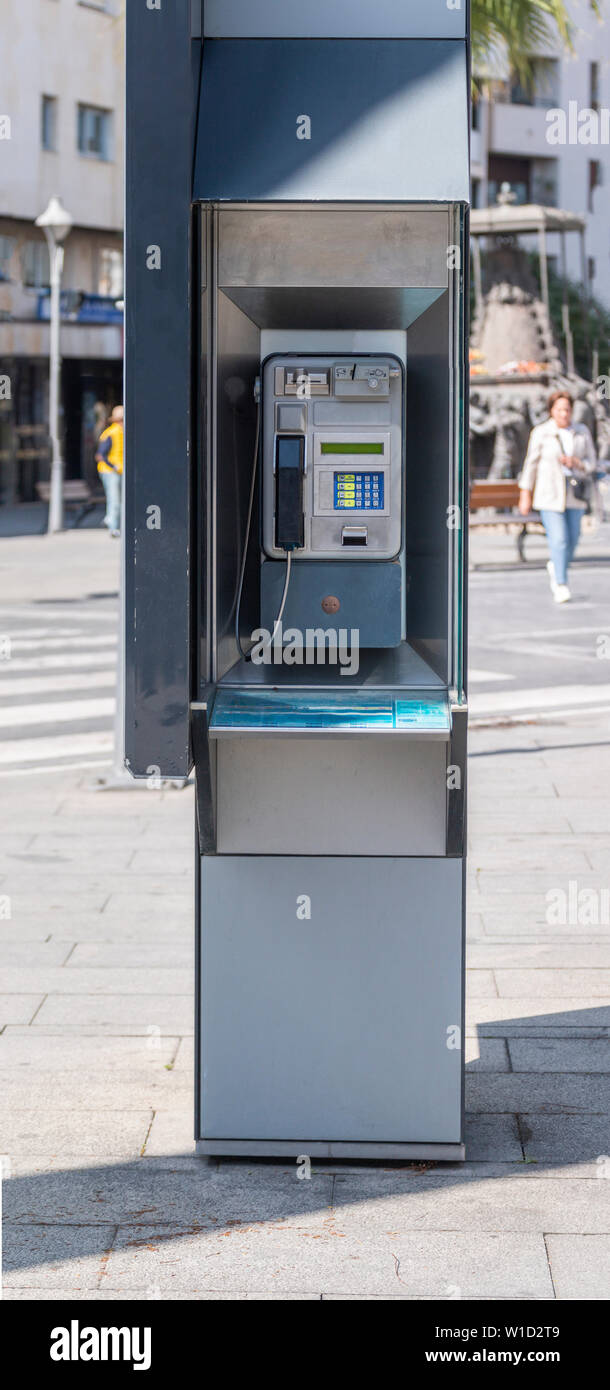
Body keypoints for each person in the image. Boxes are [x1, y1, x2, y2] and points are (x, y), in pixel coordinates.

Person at [519, 391, 596, 603]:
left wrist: (577, 463)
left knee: (573, 539)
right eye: (559, 409)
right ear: (551, 410)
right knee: (559, 539)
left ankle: (556, 564)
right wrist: (525, 493)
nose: (564, 413)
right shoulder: (542, 432)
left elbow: (592, 463)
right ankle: (561, 583)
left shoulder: (581, 432)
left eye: (567, 409)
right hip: (550, 494)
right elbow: (530, 464)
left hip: (575, 495)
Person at [96, 405, 124, 537]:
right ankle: (113, 526)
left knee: (121, 499)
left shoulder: (123, 432)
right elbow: (100, 455)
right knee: (115, 499)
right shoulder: (110, 433)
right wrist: (113, 466)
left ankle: (112, 521)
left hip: (120, 471)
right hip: (110, 471)